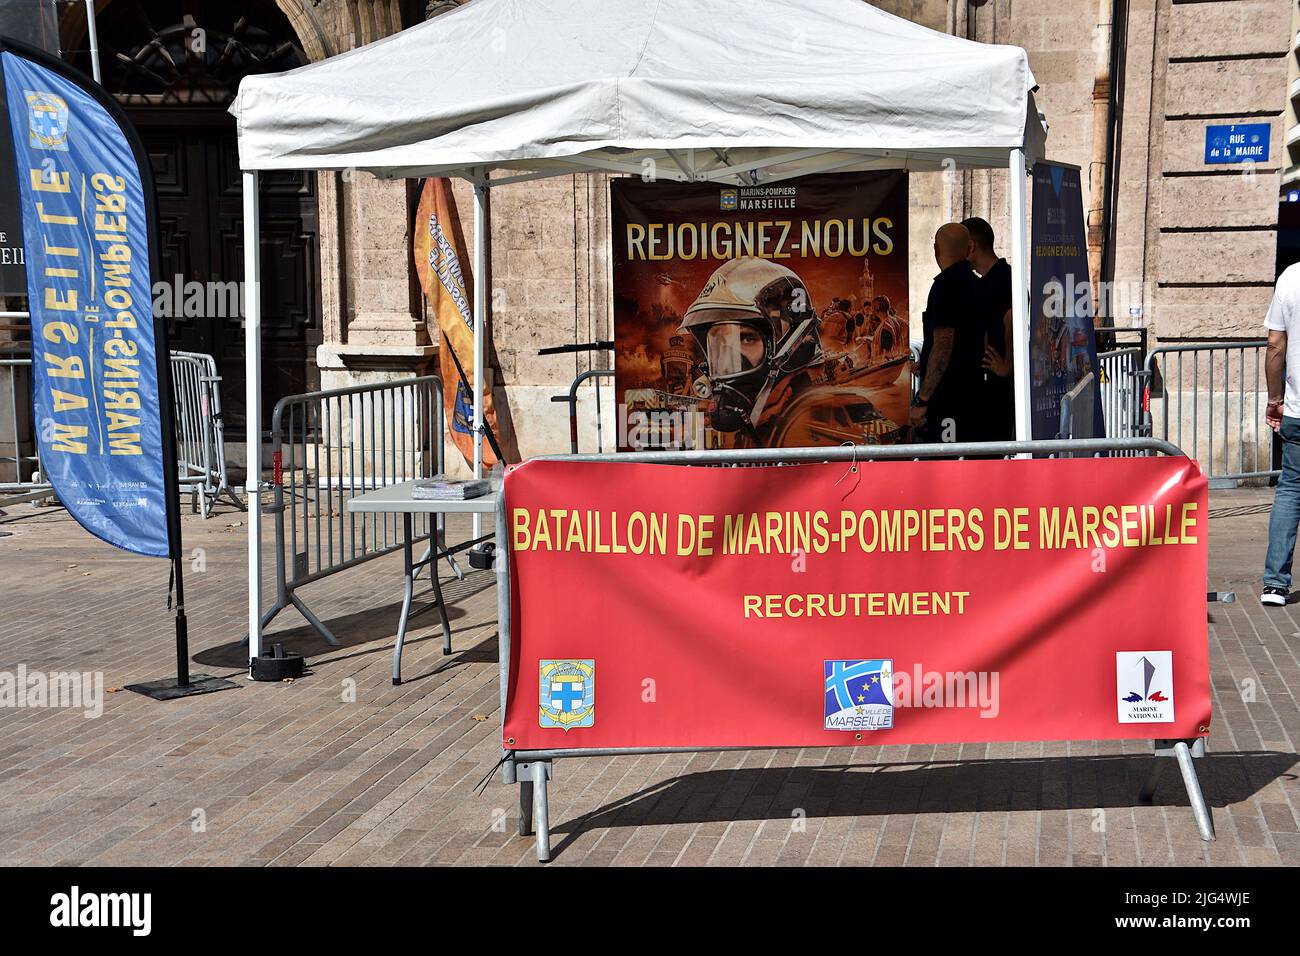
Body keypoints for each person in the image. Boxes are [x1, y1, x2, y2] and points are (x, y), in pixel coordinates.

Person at [911, 223, 983, 443]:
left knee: (948, 468)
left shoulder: (945, 287)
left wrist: (922, 400)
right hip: (976, 396)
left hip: (949, 400)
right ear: (970, 248)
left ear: (936, 250)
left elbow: (943, 346)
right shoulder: (977, 285)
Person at [1261, 262, 1300, 604]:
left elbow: (1275, 345)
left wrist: (1275, 399)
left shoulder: (1291, 277)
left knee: (1290, 490)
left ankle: (1275, 583)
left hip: (1298, 409)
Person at [962, 216, 1015, 441]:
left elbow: (1012, 322)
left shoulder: (1004, 279)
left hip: (997, 389)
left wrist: (1006, 366)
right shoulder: (986, 281)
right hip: (986, 387)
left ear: (971, 246)